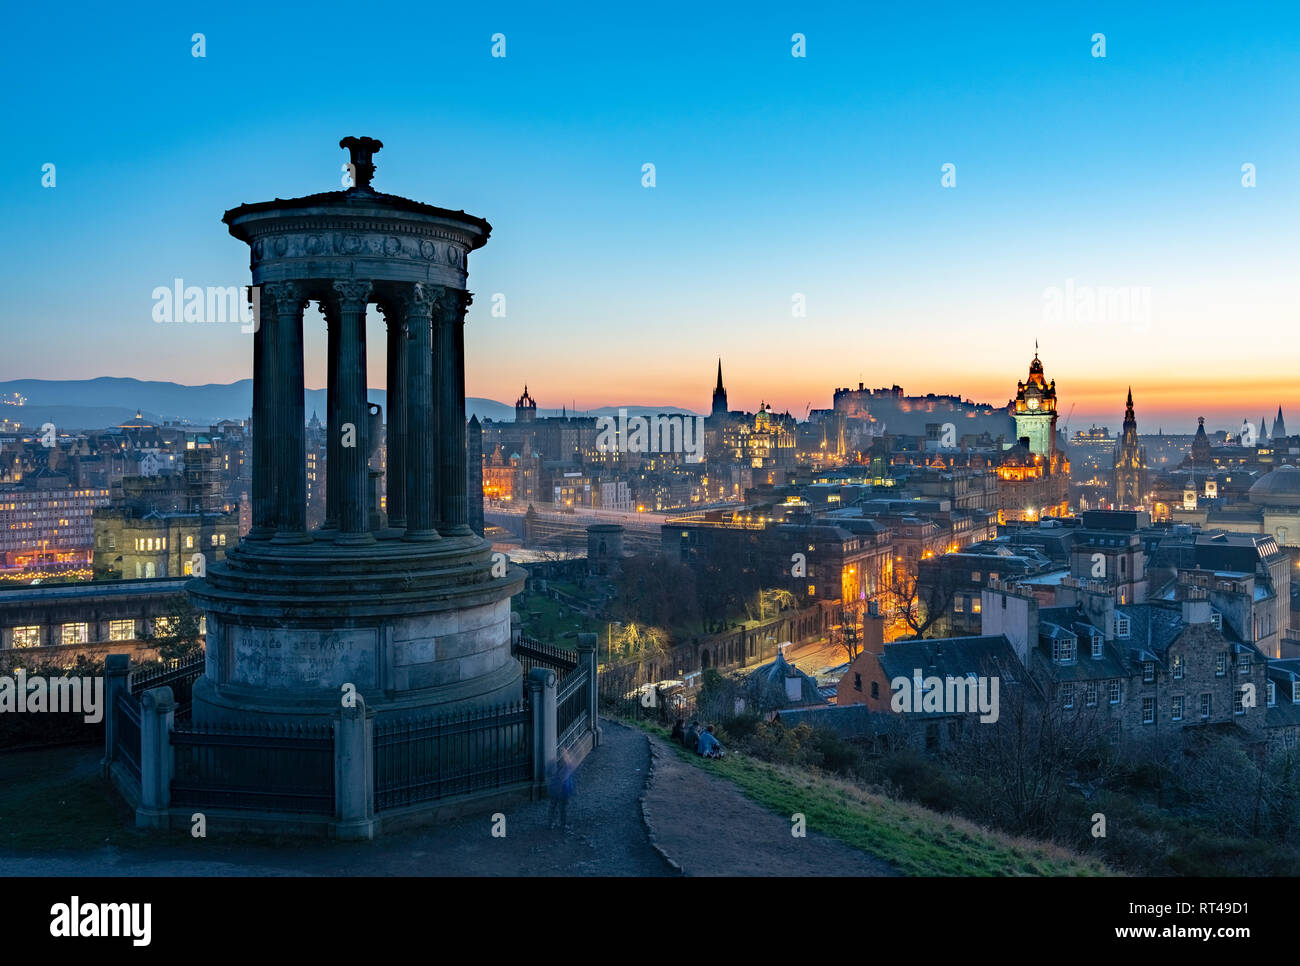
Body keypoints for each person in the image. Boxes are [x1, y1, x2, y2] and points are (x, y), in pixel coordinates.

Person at [547, 749, 576, 830]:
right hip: (562, 790)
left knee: (554, 806)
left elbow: (549, 773)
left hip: (555, 789)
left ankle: (551, 823)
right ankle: (561, 823)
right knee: (562, 808)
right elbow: (563, 777)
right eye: (566, 754)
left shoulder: (553, 763)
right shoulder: (566, 766)